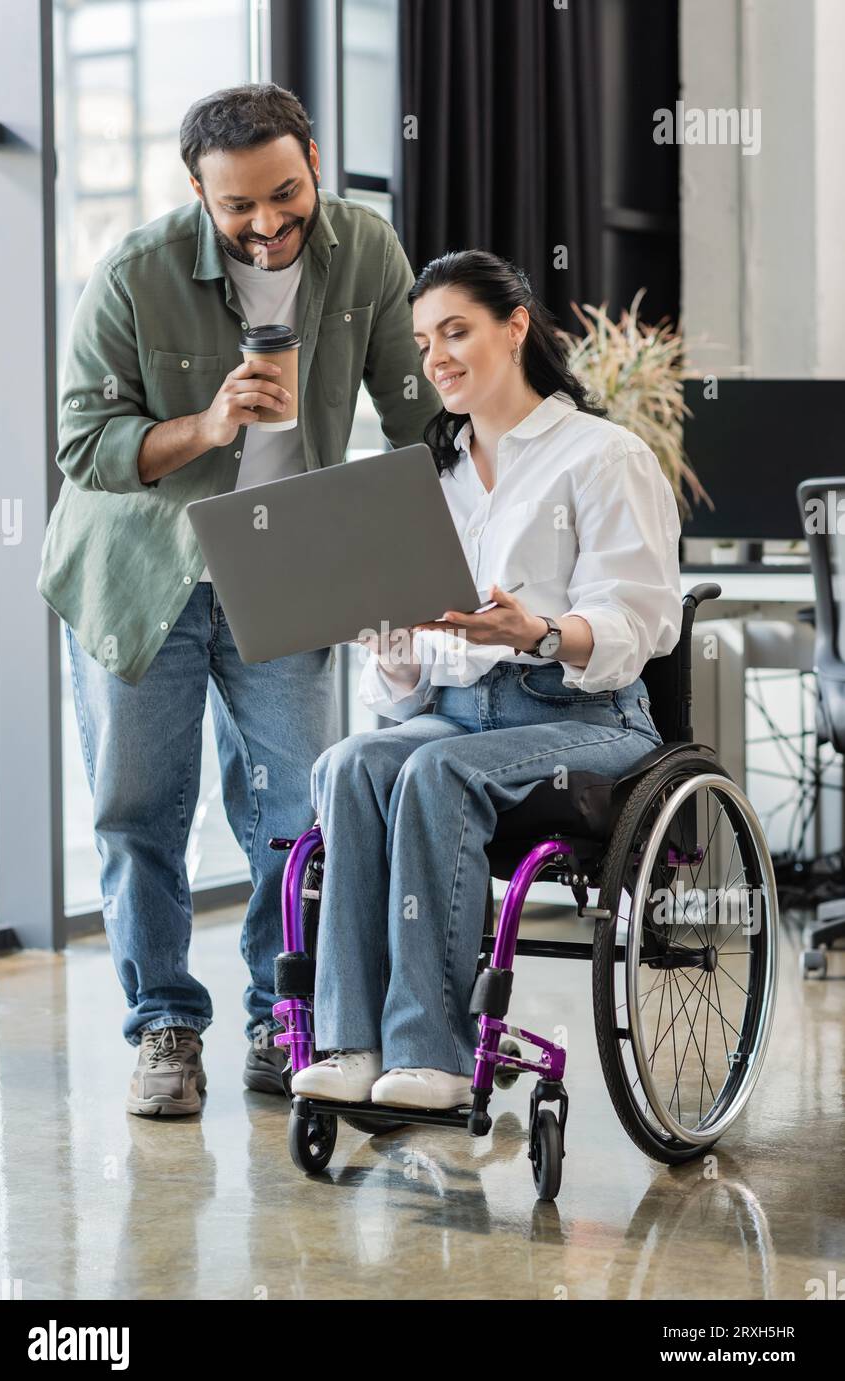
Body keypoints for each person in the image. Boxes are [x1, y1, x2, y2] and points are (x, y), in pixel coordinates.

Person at [36, 83, 439, 1117]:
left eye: (286, 194)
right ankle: (165, 1022)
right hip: (144, 575)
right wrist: (208, 426)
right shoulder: (136, 270)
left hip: (287, 565)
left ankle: (280, 1013)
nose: (266, 226)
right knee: (140, 812)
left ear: (313, 155)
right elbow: (83, 443)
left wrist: (446, 561)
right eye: (237, 209)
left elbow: (418, 421)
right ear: (197, 195)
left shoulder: (367, 253)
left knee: (295, 813)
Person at [291, 249, 684, 1111]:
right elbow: (409, 689)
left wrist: (537, 632)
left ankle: (431, 1051)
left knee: (435, 771)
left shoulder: (602, 455)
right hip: (458, 713)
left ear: (514, 329)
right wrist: (389, 647)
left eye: (455, 331)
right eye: (424, 340)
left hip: (585, 715)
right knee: (351, 764)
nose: (435, 357)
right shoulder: (430, 477)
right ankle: (351, 1042)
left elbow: (645, 621)